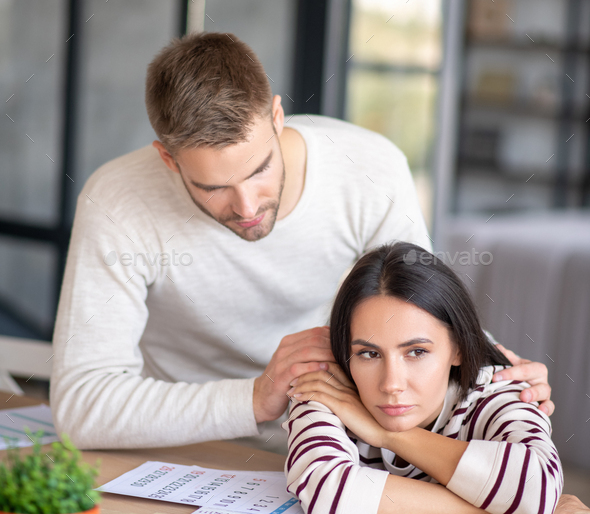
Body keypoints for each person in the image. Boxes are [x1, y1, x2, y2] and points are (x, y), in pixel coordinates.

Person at [51, 33, 554, 449]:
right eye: (212, 187)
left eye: (259, 169)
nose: (246, 207)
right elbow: (81, 407)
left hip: (340, 437)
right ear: (168, 159)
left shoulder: (369, 168)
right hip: (173, 444)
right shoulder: (116, 200)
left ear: (276, 118)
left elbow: (418, 317)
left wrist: (496, 367)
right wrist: (255, 398)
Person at [285, 242, 590, 514]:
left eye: (416, 352)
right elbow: (325, 491)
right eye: (369, 353)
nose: (391, 384)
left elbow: (536, 490)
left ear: (458, 347)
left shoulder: (500, 389)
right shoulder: (328, 386)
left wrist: (391, 436)